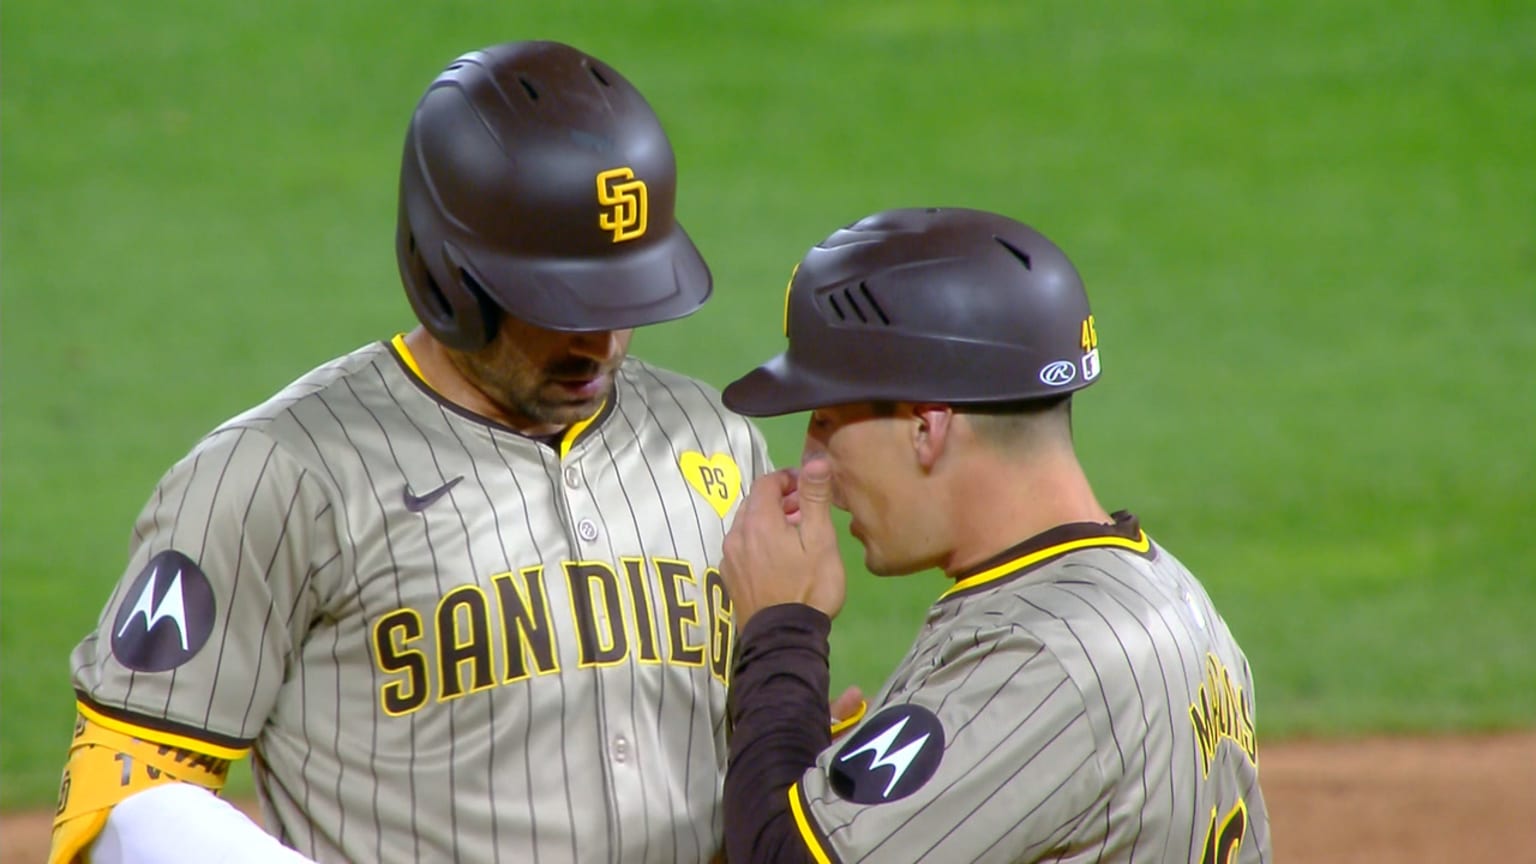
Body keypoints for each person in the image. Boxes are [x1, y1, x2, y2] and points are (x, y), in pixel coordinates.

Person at [50, 40, 771, 864]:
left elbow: (758, 755)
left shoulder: (717, 443)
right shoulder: (275, 475)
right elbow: (126, 798)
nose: (602, 342)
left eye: (627, 294)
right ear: (447, 276)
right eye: (561, 302)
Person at [717, 207, 1272, 863]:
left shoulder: (1046, 656)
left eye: (828, 419)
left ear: (929, 427)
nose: (815, 464)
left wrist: (783, 630)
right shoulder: (1172, 596)